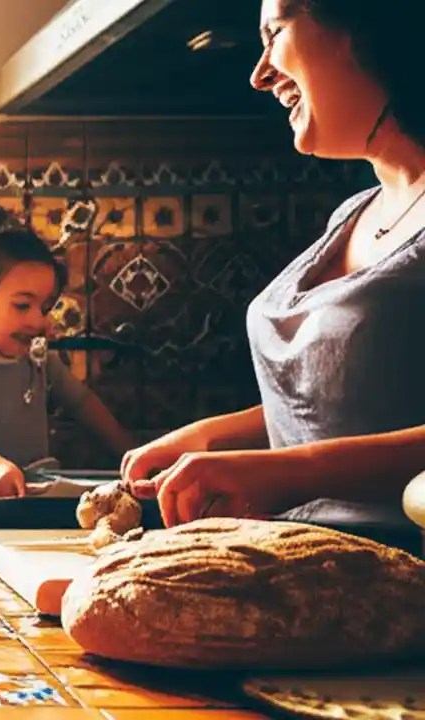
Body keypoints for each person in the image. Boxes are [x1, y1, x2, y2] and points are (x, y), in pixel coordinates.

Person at [122, 0, 425, 531]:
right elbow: (355, 405)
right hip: (301, 565)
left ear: (359, 26)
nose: (260, 75)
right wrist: (218, 438)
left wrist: (290, 472)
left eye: (274, 33)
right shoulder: (354, 213)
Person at [0, 202, 135, 546]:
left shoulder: (36, 356)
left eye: (45, 307)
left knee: (89, 496)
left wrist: (132, 456)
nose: (39, 320)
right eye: (22, 305)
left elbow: (80, 402)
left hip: (30, 477)